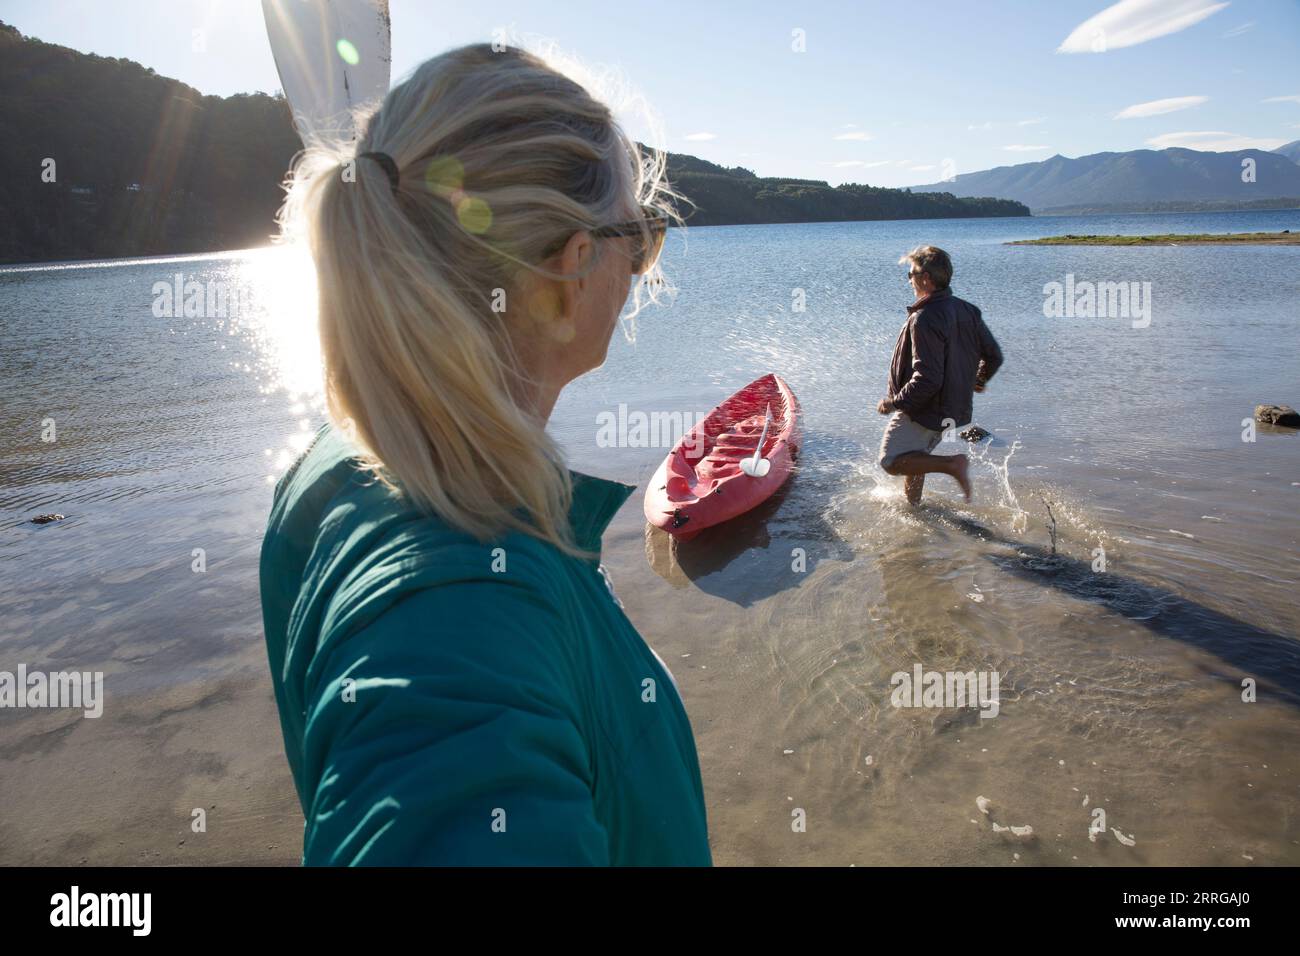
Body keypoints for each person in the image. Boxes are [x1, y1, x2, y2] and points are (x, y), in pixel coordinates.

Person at [259, 44, 711, 865]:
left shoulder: (346, 459)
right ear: (571, 272)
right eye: (637, 241)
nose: (641, 271)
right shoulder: (458, 605)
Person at [876, 245, 1003, 505]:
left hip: (925, 408)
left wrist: (894, 402)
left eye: (910, 275)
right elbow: (994, 356)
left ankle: (952, 465)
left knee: (891, 462)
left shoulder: (923, 318)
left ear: (925, 279)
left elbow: (928, 378)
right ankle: (914, 509)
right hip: (952, 408)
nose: (909, 280)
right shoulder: (967, 310)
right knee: (917, 455)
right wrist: (979, 379)